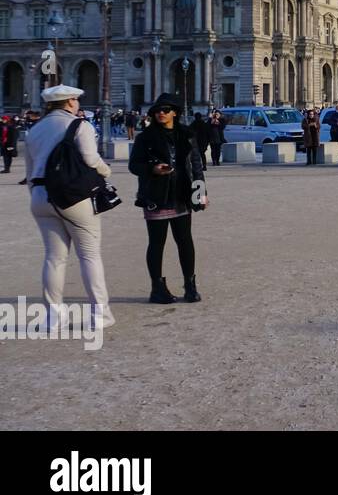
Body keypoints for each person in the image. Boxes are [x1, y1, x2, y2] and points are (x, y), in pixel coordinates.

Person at [25, 85, 115, 327]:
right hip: (73, 197)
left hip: (40, 196)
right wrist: (107, 171)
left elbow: (29, 172)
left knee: (54, 258)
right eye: (76, 100)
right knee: (89, 255)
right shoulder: (79, 125)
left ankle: (53, 317)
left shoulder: (34, 130)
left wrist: (38, 195)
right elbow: (91, 159)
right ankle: (100, 314)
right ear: (70, 102)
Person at [129, 92, 207, 305]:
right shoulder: (145, 138)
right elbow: (133, 165)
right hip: (156, 194)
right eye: (157, 111)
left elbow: (197, 166)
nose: (160, 114)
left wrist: (200, 193)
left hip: (181, 193)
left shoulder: (187, 134)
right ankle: (157, 288)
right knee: (156, 243)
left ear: (175, 112)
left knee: (185, 241)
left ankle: (190, 286)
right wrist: (152, 169)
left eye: (165, 110)